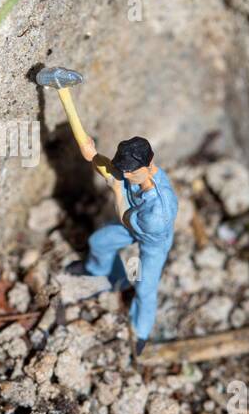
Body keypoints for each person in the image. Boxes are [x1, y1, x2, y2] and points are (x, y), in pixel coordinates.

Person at [69, 135, 178, 355]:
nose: (126, 174)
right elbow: (113, 173)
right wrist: (93, 156)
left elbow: (126, 217)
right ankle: (107, 274)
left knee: (145, 287)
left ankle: (141, 331)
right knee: (99, 241)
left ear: (148, 164)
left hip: (152, 240)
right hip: (135, 223)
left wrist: (118, 190)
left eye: (130, 171)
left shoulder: (159, 212)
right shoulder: (138, 174)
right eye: (125, 170)